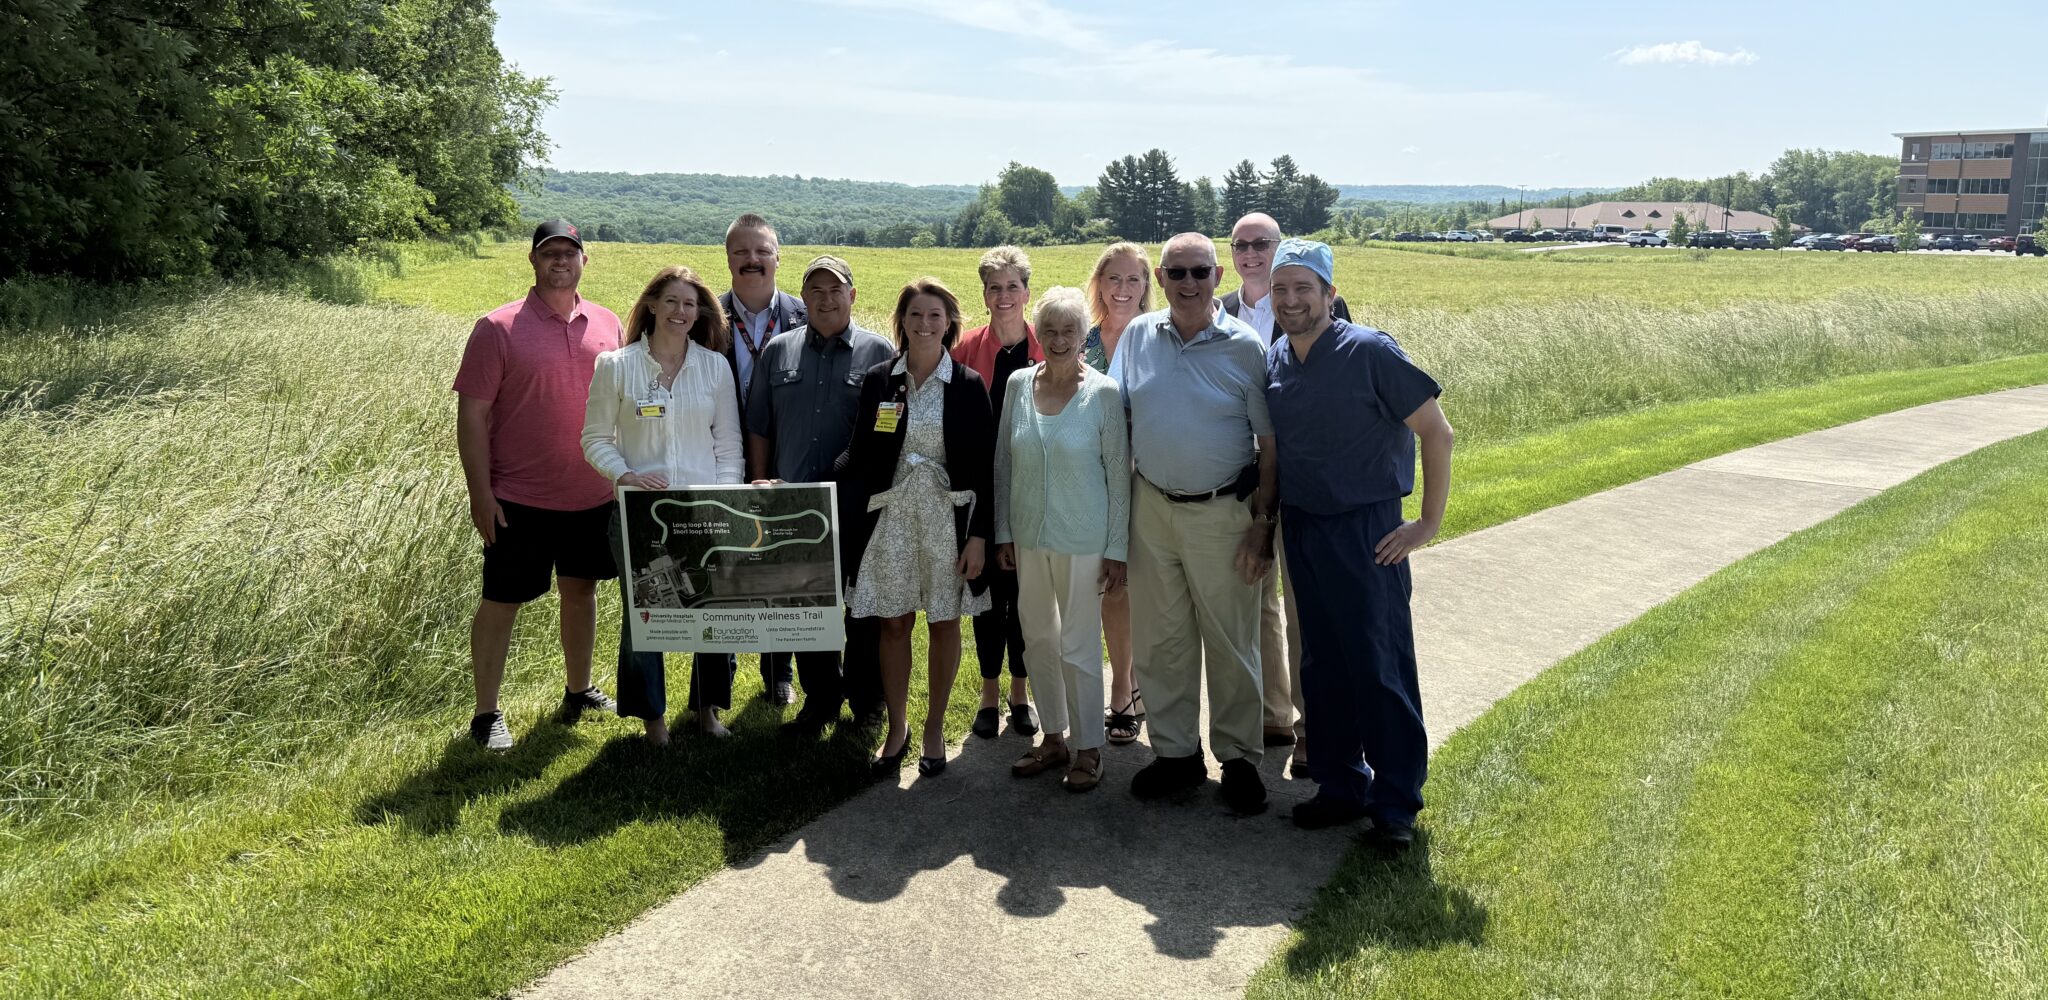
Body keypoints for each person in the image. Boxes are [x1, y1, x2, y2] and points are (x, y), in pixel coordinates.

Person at [1262, 239, 1452, 854]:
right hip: (1305, 527)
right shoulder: (1277, 359)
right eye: (1282, 288)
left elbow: (1437, 432)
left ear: (1329, 294)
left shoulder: (1369, 351)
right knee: (1323, 665)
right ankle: (1340, 788)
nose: (1291, 300)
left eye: (1304, 289)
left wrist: (1425, 523)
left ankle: (1395, 804)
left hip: (1368, 530)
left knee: (1379, 665)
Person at [1116, 233, 1276, 815]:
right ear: (1160, 279)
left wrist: (1263, 524)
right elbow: (1118, 415)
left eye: (1200, 272)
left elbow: (1270, 445)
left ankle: (1238, 760)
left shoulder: (1244, 346)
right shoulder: (1137, 336)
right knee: (1162, 640)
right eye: (1177, 273)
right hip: (1152, 506)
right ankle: (1176, 756)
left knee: (1231, 640)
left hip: (1222, 512)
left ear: (1216, 276)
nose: (1189, 284)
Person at [452, 219, 621, 751]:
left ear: (584, 261)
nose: (560, 262)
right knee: (501, 600)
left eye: (569, 253)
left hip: (592, 494)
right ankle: (486, 714)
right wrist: (481, 494)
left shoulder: (609, 324)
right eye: (549, 253)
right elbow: (472, 417)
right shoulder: (497, 328)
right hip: (518, 499)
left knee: (581, 589)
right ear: (533, 260)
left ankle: (578, 689)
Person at [835, 278, 994, 779]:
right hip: (891, 519)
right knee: (893, 623)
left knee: (944, 622)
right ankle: (898, 725)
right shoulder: (882, 381)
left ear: (949, 323)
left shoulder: (967, 386)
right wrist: (801, 485)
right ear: (901, 321)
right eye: (916, 315)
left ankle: (933, 725)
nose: (925, 325)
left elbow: (988, 470)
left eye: (935, 316)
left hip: (948, 521)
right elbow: (859, 456)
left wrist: (979, 536)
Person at [583, 265, 745, 744]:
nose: (681, 311)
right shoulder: (616, 366)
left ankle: (707, 710)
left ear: (699, 314)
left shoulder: (714, 366)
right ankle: (653, 719)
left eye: (690, 304)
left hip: (705, 512)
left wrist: (725, 502)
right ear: (652, 304)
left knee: (714, 612)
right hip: (639, 516)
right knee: (645, 615)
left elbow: (729, 444)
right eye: (672, 301)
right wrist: (624, 474)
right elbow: (594, 439)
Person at [1221, 212, 1353, 774]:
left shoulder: (1317, 307)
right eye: (1241, 244)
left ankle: (1309, 727)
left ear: (1280, 249)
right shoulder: (1220, 308)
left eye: (1262, 244)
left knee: (1302, 607)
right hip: (1238, 476)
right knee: (1257, 599)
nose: (1251, 252)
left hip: (1296, 476)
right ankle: (1273, 713)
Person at [745, 255, 896, 735]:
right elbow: (760, 426)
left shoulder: (880, 353)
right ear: (802, 298)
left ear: (852, 295)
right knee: (805, 608)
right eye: (815, 290)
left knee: (862, 607)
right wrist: (761, 484)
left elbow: (892, 432)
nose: (826, 298)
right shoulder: (778, 352)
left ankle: (868, 702)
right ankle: (821, 699)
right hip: (793, 505)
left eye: (836, 289)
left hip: (858, 507)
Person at [993, 287, 1128, 792]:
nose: (1057, 339)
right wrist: (1003, 530)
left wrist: (1117, 548)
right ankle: (1053, 738)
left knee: (1077, 643)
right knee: (1038, 637)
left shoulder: (1103, 394)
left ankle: (1090, 746)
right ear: (1038, 333)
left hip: (1084, 538)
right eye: (1048, 330)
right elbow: (1003, 463)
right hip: (1028, 533)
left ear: (1082, 335)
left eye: (1068, 330)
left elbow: (1118, 475)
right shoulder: (1016, 385)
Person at [950, 245, 1041, 740]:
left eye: (1012, 286)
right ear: (983, 294)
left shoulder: (1044, 349)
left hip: (1031, 494)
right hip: (979, 496)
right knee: (985, 599)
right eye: (994, 287)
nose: (1003, 296)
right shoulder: (965, 350)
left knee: (1025, 600)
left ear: (1027, 292)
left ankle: (1020, 695)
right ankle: (988, 695)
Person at [718, 213, 808, 706]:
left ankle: (780, 671)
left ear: (778, 257)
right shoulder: (704, 314)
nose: (752, 261)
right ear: (728, 258)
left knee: (785, 560)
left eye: (762, 252)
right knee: (728, 563)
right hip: (725, 452)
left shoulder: (804, 312)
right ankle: (721, 672)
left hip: (786, 453)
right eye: (741, 252)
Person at [1080, 242, 1152, 745]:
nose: (1123, 289)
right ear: (1099, 284)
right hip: (1094, 478)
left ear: (1148, 285)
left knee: (1153, 584)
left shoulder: (1159, 337)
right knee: (1113, 582)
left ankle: (1139, 683)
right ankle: (1124, 688)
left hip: (1149, 476)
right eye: (1114, 279)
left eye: (1133, 279)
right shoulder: (1081, 339)